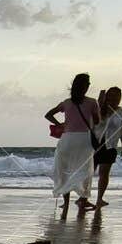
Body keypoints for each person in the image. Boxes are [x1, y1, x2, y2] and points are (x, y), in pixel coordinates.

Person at [44, 72, 99, 214]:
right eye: (88, 84)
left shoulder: (66, 103)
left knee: (64, 170)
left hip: (67, 139)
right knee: (85, 171)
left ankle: (66, 203)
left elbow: (48, 114)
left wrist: (60, 125)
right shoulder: (92, 102)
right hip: (84, 140)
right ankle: (83, 200)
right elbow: (98, 121)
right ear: (86, 86)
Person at [92, 87, 122, 208]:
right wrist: (101, 102)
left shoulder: (121, 113)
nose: (114, 98)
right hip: (95, 144)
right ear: (107, 97)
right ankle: (83, 198)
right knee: (89, 172)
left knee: (104, 173)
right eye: (111, 95)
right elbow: (92, 124)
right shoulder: (100, 109)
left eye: (117, 96)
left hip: (111, 146)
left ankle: (99, 199)